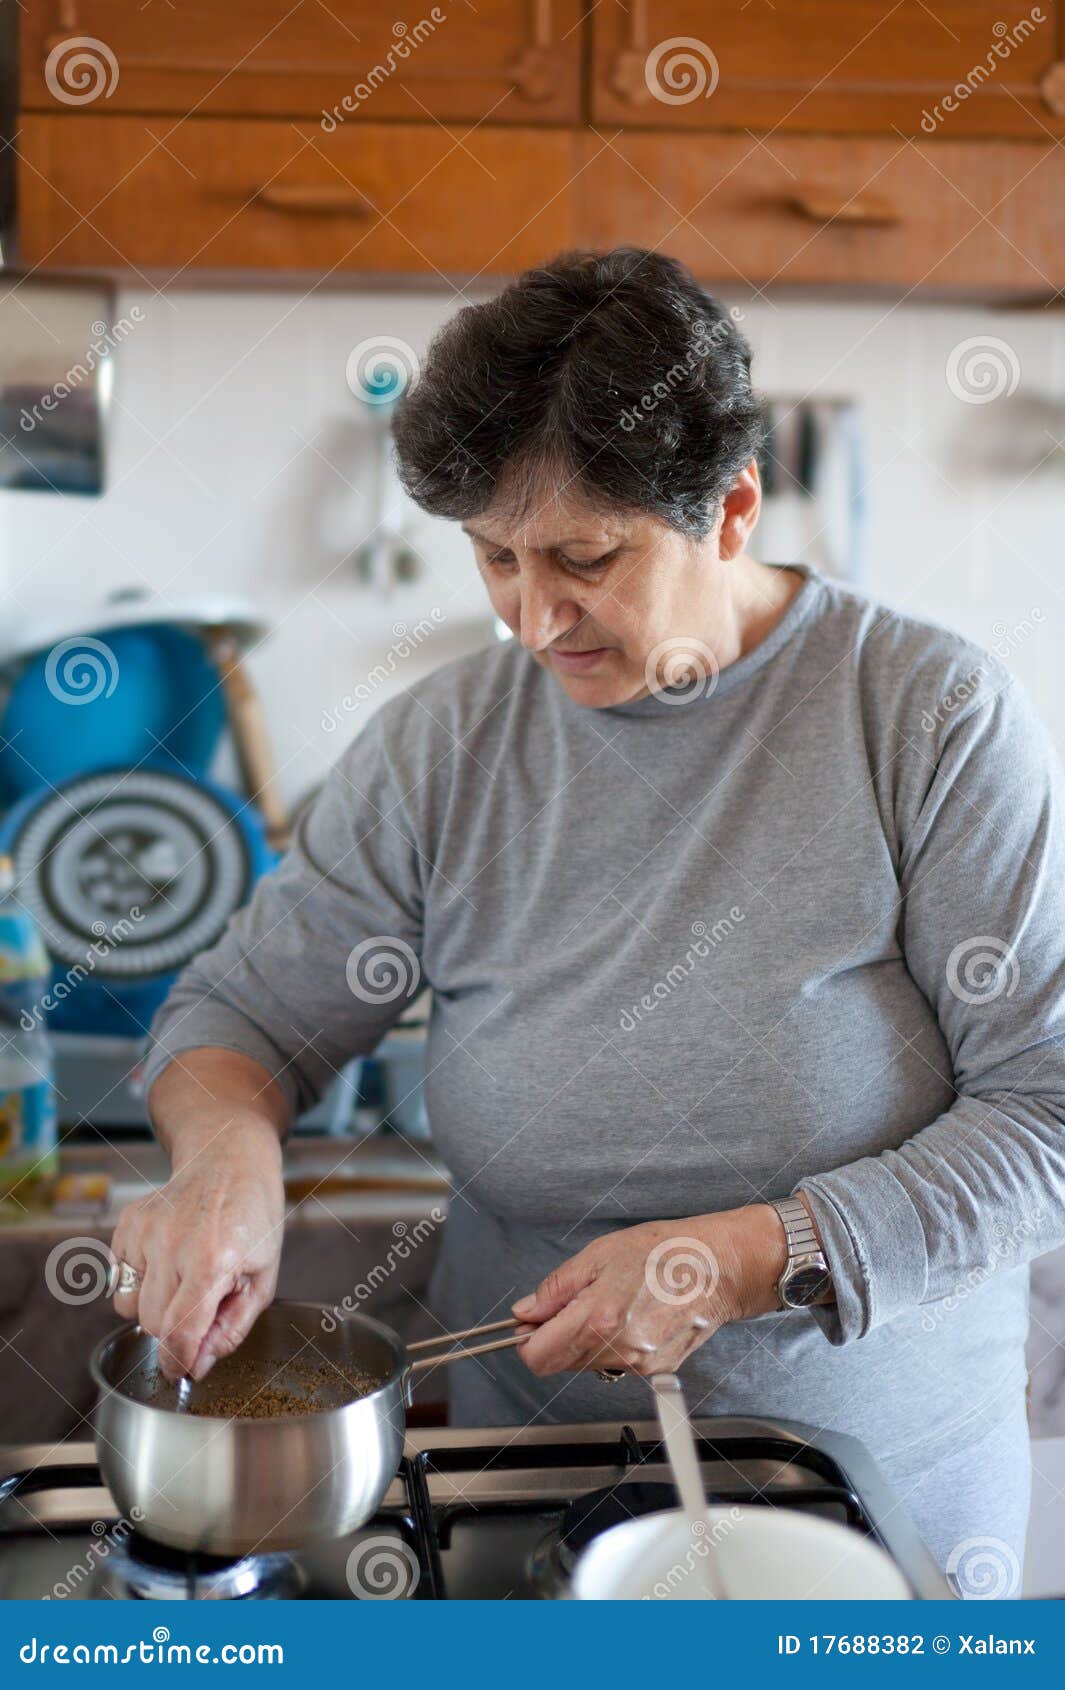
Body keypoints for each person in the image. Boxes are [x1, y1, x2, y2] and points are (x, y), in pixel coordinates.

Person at [113, 249, 1065, 1590]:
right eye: (492, 557)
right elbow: (247, 1013)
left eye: (584, 557)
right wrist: (224, 1155)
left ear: (731, 508)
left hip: (864, 1503)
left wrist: (745, 1255)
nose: (529, 615)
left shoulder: (924, 717)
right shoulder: (440, 746)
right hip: (532, 1500)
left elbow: (1048, 1111)